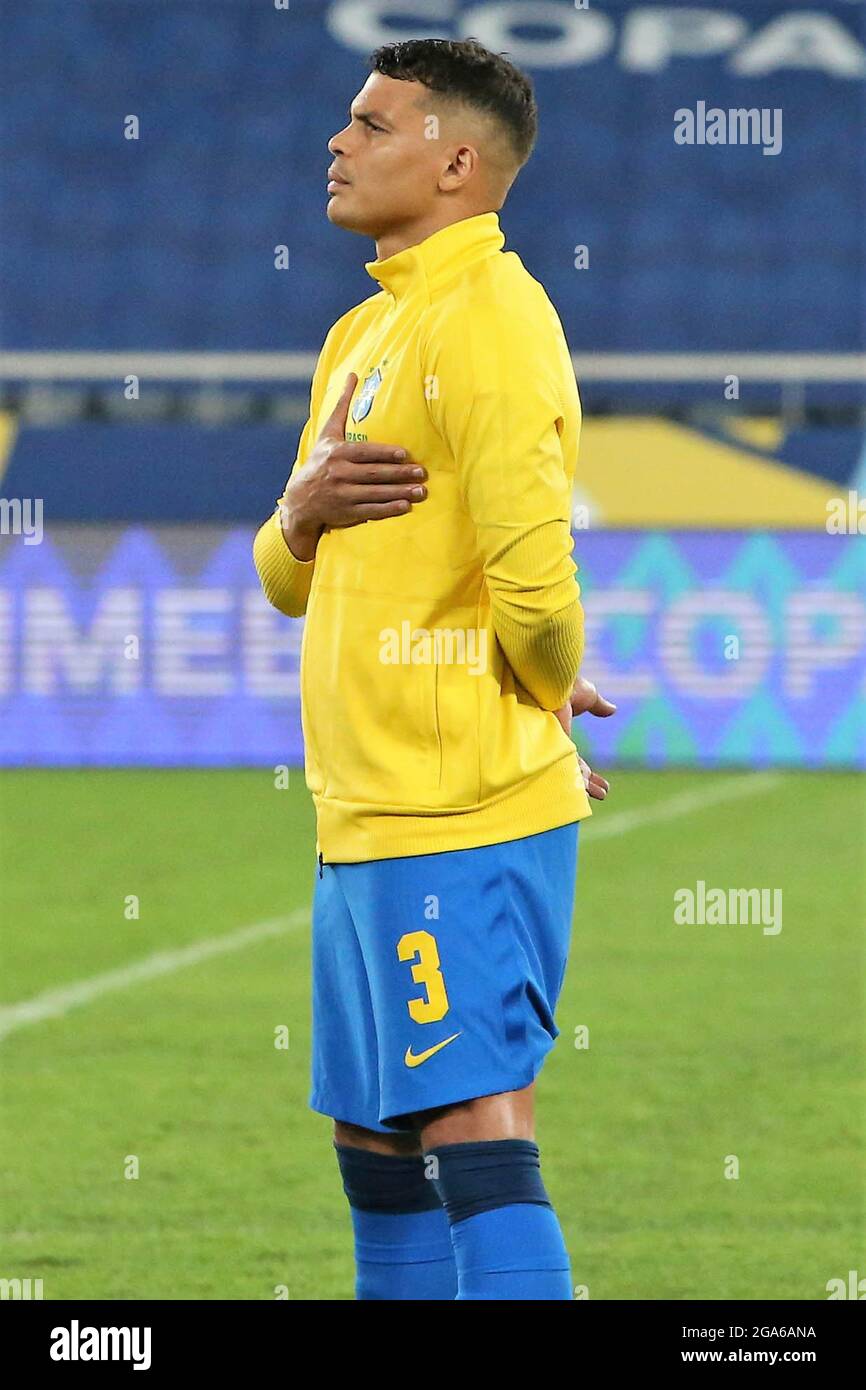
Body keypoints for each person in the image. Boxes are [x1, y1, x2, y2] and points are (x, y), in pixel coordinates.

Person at [253, 36, 614, 1300]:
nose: (337, 143)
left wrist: (540, 691)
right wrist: (297, 513)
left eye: (370, 122)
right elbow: (285, 572)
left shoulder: (500, 321)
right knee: (376, 1140)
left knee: (469, 1123)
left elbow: (536, 584)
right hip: (362, 811)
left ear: (455, 160)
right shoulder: (360, 330)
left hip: (457, 814)